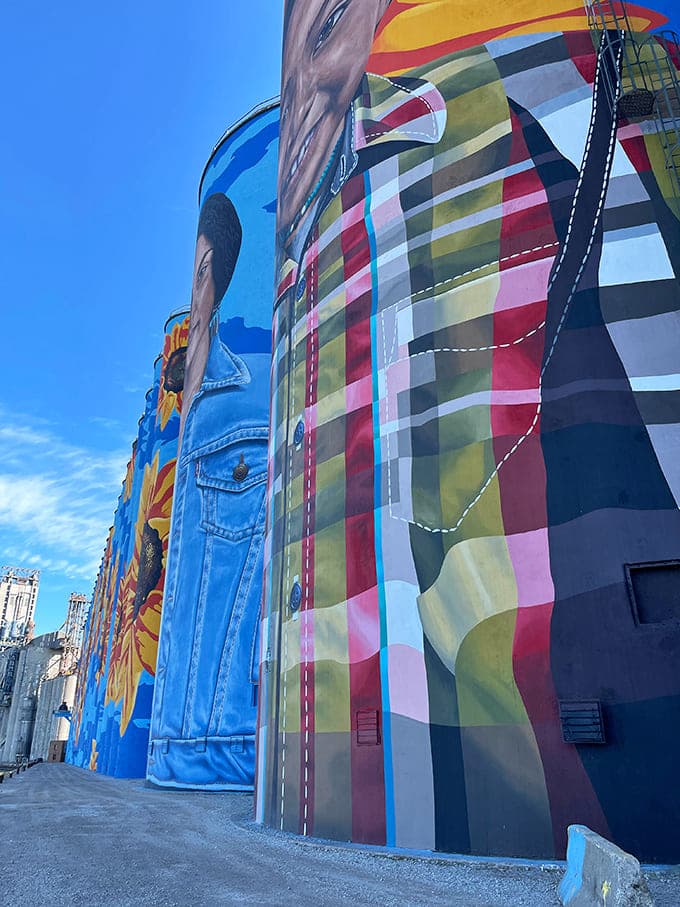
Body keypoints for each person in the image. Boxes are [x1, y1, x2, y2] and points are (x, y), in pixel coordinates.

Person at [258, 0, 680, 860]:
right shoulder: (314, 264)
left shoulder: (519, 108)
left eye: (331, 29)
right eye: (291, 61)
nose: (301, 93)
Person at [148, 191, 271, 790]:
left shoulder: (251, 404)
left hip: (228, 755)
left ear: (219, 283)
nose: (195, 296)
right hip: (165, 762)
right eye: (191, 272)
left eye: (204, 273)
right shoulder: (183, 410)